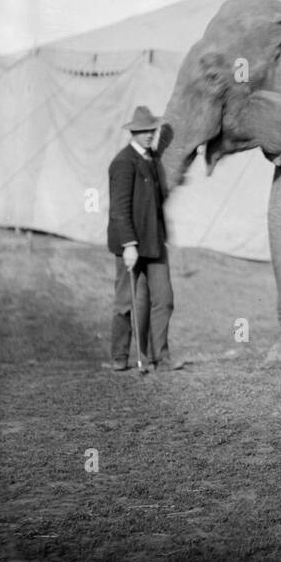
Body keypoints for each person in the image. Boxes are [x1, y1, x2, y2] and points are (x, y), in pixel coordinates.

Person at [106, 106, 178, 372]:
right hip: (132, 245)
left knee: (165, 299)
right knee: (126, 302)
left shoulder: (152, 160)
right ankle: (119, 356)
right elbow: (119, 208)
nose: (149, 135)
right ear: (133, 133)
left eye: (152, 130)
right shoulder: (123, 163)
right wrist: (128, 245)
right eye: (143, 131)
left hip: (155, 242)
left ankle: (161, 356)